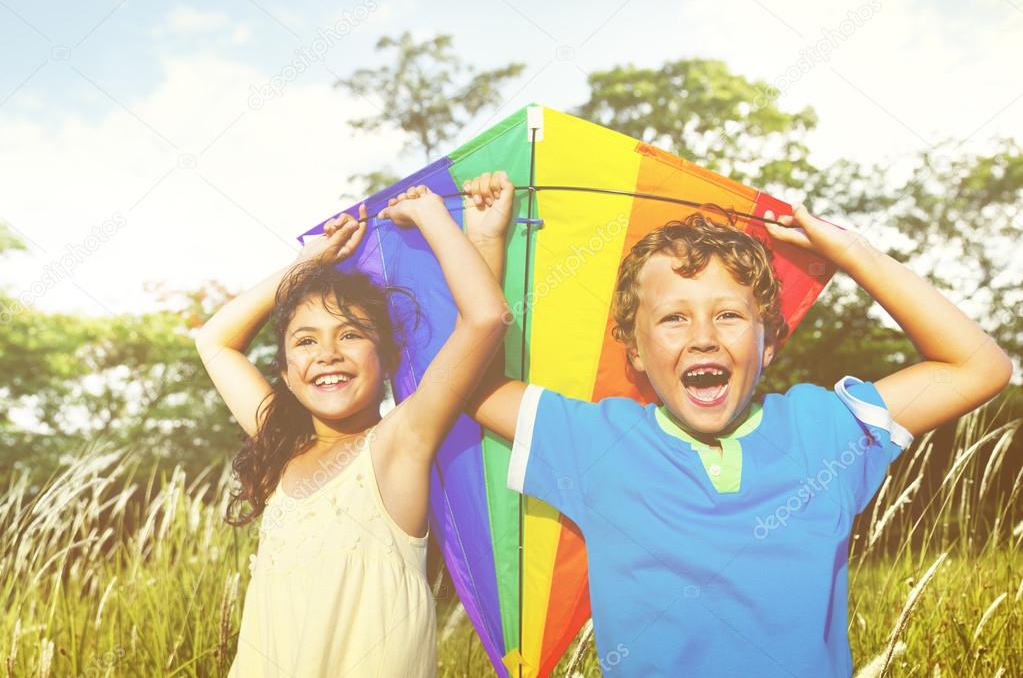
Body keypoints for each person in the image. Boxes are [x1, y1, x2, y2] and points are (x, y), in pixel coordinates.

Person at [461, 172, 1012, 677]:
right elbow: (471, 384)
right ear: (634, 349)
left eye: (728, 314)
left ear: (768, 342)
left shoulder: (822, 430)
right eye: (674, 317)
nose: (703, 336)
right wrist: (485, 241)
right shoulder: (596, 443)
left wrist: (849, 251)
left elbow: (979, 365)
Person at [195, 185, 509, 677]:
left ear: (387, 360)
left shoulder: (399, 444)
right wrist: (305, 265)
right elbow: (214, 340)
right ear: (285, 373)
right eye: (305, 341)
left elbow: (486, 319)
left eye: (350, 334)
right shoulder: (281, 448)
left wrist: (434, 217)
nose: (327, 354)